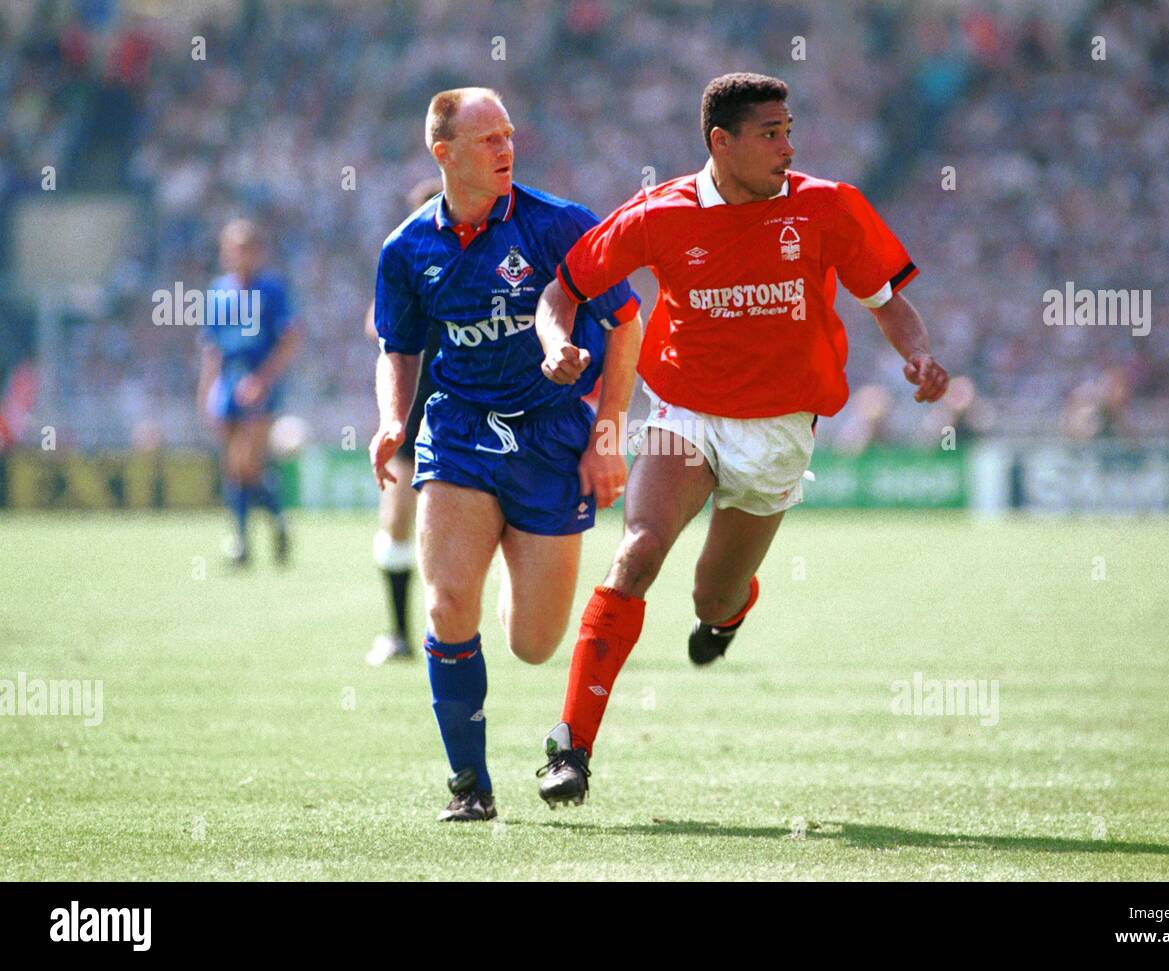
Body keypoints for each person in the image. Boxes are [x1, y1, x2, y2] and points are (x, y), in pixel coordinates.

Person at [533, 72, 949, 807]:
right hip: (685, 411)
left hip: (781, 427)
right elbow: (562, 289)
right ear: (720, 143)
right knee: (636, 554)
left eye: (790, 130)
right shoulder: (659, 214)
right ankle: (570, 747)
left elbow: (887, 303)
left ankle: (727, 612)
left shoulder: (828, 207)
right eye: (771, 133)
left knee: (710, 591)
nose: (789, 147)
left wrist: (916, 354)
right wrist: (554, 342)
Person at [368, 87, 641, 821]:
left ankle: (516, 564)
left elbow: (627, 320)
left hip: (553, 435)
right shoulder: (405, 249)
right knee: (449, 602)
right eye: (487, 139)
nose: (505, 150)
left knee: (532, 642)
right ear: (444, 153)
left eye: (509, 136)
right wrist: (394, 419)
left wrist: (607, 431)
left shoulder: (561, 225)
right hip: (459, 429)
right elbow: (398, 348)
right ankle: (469, 785)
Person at [364, 177, 442, 666]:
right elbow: (377, 324)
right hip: (412, 411)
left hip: (468, 408)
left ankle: (456, 627)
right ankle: (398, 633)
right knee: (396, 521)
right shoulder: (403, 264)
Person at [196, 219, 301, 566]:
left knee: (247, 463)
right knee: (235, 468)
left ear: (257, 252)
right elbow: (211, 348)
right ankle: (269, 524)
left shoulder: (272, 290)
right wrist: (207, 391)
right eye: (232, 247)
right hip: (228, 384)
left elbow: (290, 337)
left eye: (245, 248)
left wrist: (262, 381)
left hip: (259, 385)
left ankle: (243, 541)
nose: (238, 254)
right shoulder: (218, 290)